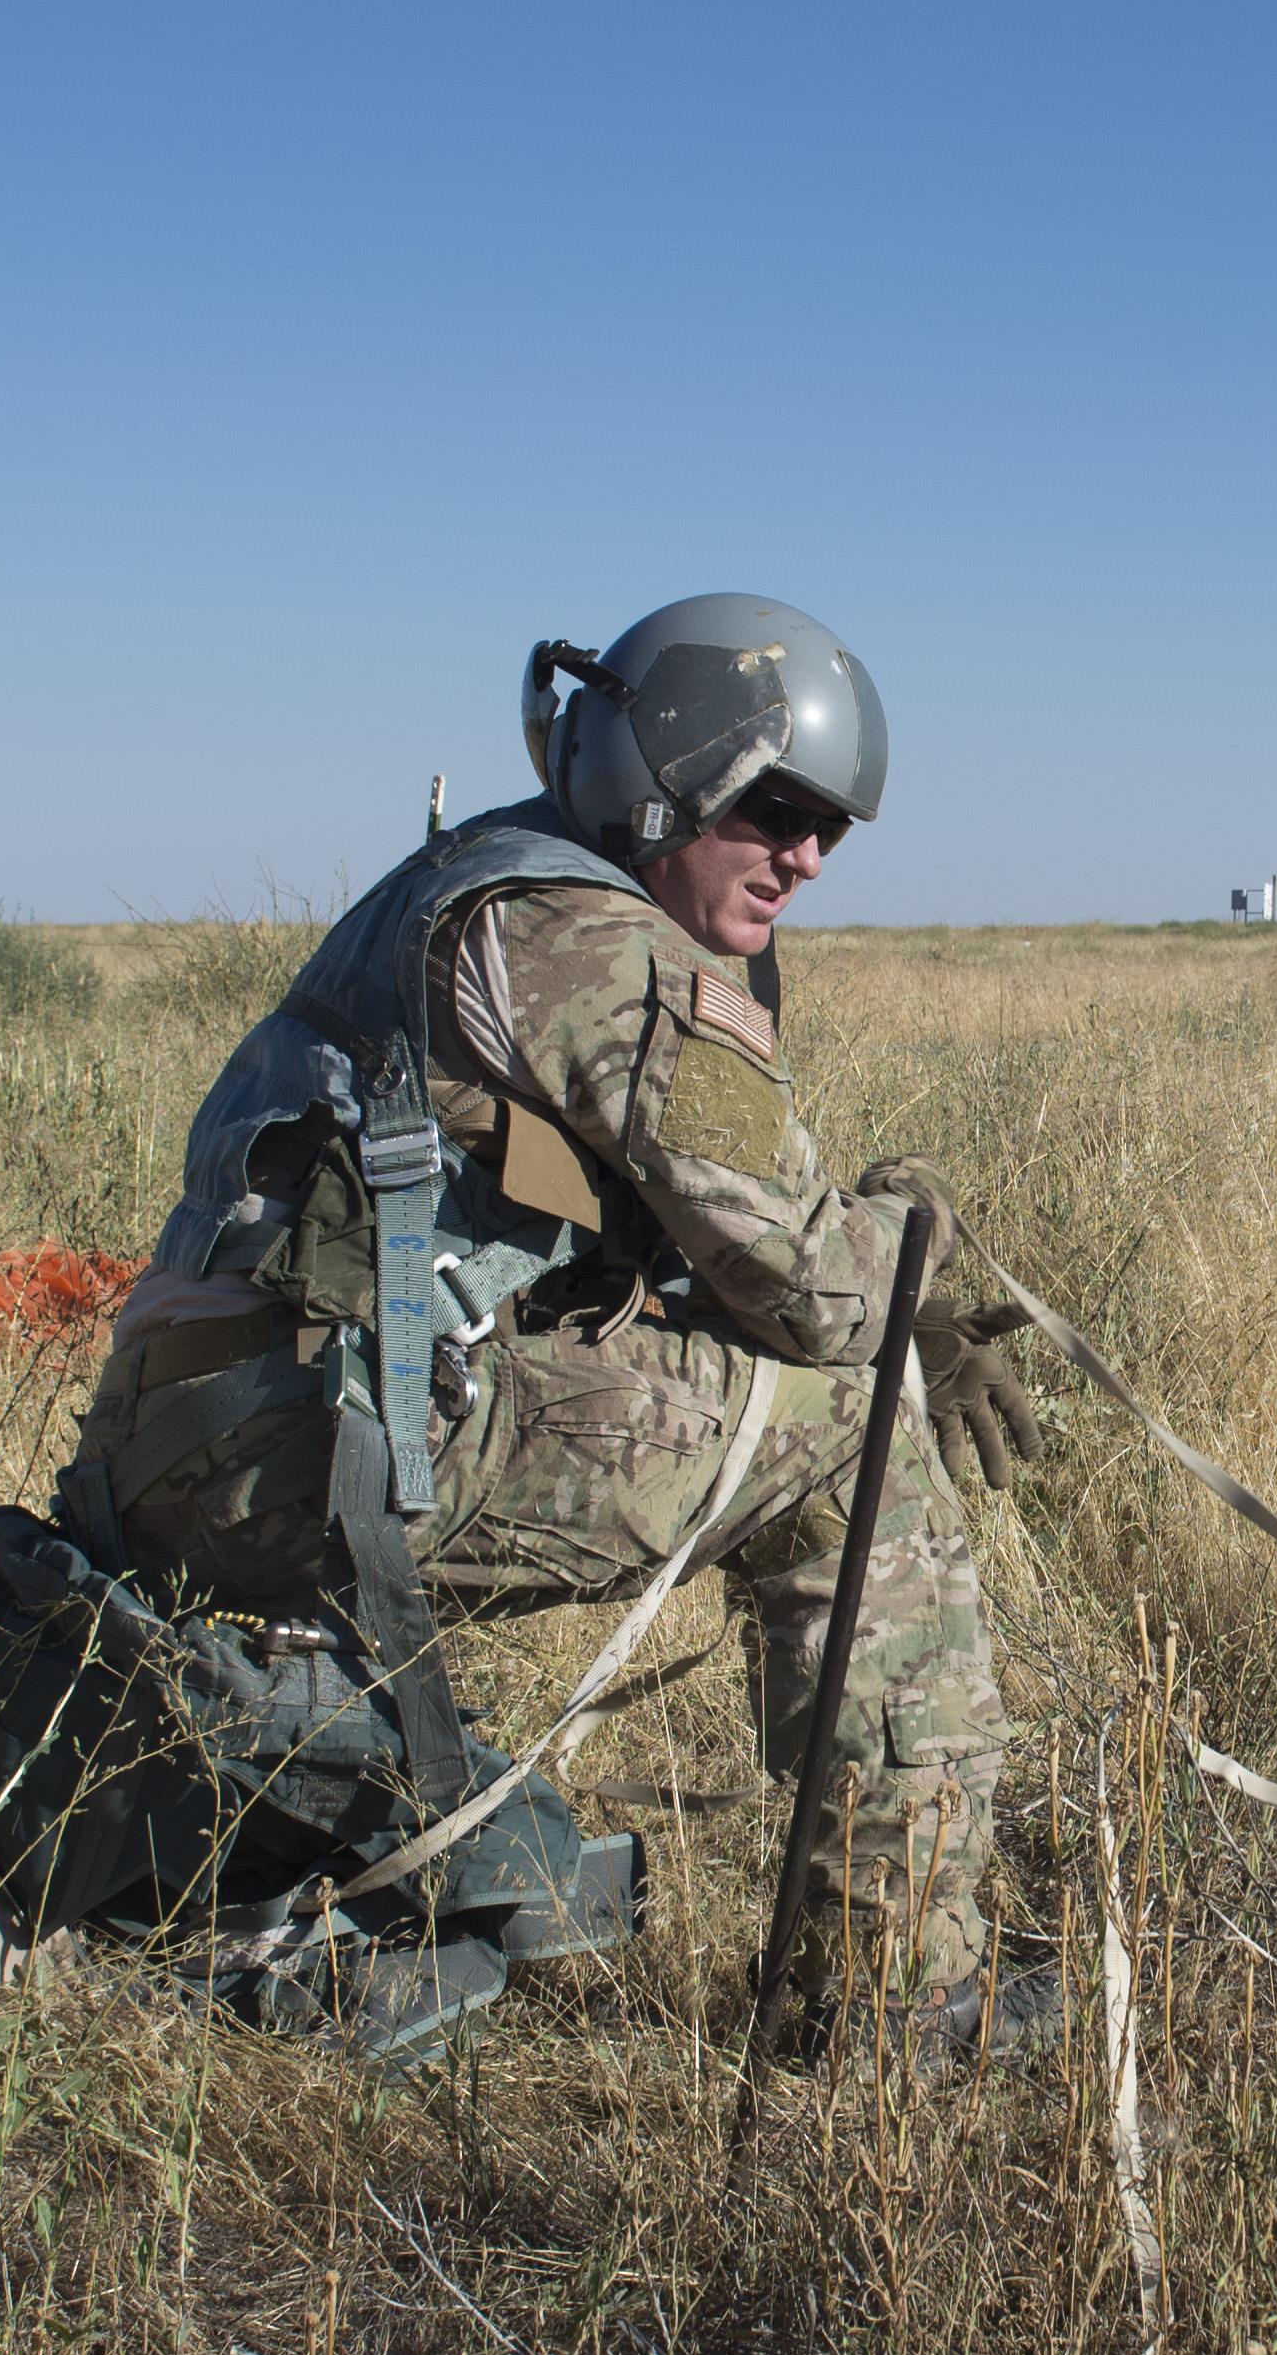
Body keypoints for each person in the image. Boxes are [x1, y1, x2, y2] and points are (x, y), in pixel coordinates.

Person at [62, 594, 1051, 2046]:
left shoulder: (485, 883)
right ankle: (895, 2001)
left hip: (209, 1435)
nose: (806, 854)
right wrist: (916, 1238)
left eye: (831, 825)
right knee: (855, 1441)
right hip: (314, 1439)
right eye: (775, 807)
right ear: (669, 772)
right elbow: (822, 1295)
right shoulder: (591, 940)